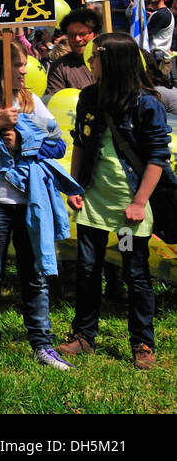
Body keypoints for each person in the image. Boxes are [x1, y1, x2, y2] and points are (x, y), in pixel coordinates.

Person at [0, 37, 72, 370]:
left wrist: (23, 140)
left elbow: (58, 147)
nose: (25, 70)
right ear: (0, 68)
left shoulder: (33, 102)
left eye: (24, 64)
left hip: (29, 201)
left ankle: (42, 343)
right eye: (18, 64)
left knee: (34, 273)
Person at [59, 33, 169, 370]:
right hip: (93, 203)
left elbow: (156, 158)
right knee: (88, 270)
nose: (90, 63)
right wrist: (75, 186)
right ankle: (84, 335)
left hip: (129, 212)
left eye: (96, 56)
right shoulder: (89, 97)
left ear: (113, 61)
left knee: (134, 273)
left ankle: (142, 343)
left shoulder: (147, 103)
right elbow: (81, 142)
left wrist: (139, 202)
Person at [44, 7, 100, 96]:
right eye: (72, 35)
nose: (77, 39)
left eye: (82, 34)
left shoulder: (111, 61)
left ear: (95, 34)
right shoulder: (60, 67)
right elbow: (55, 102)